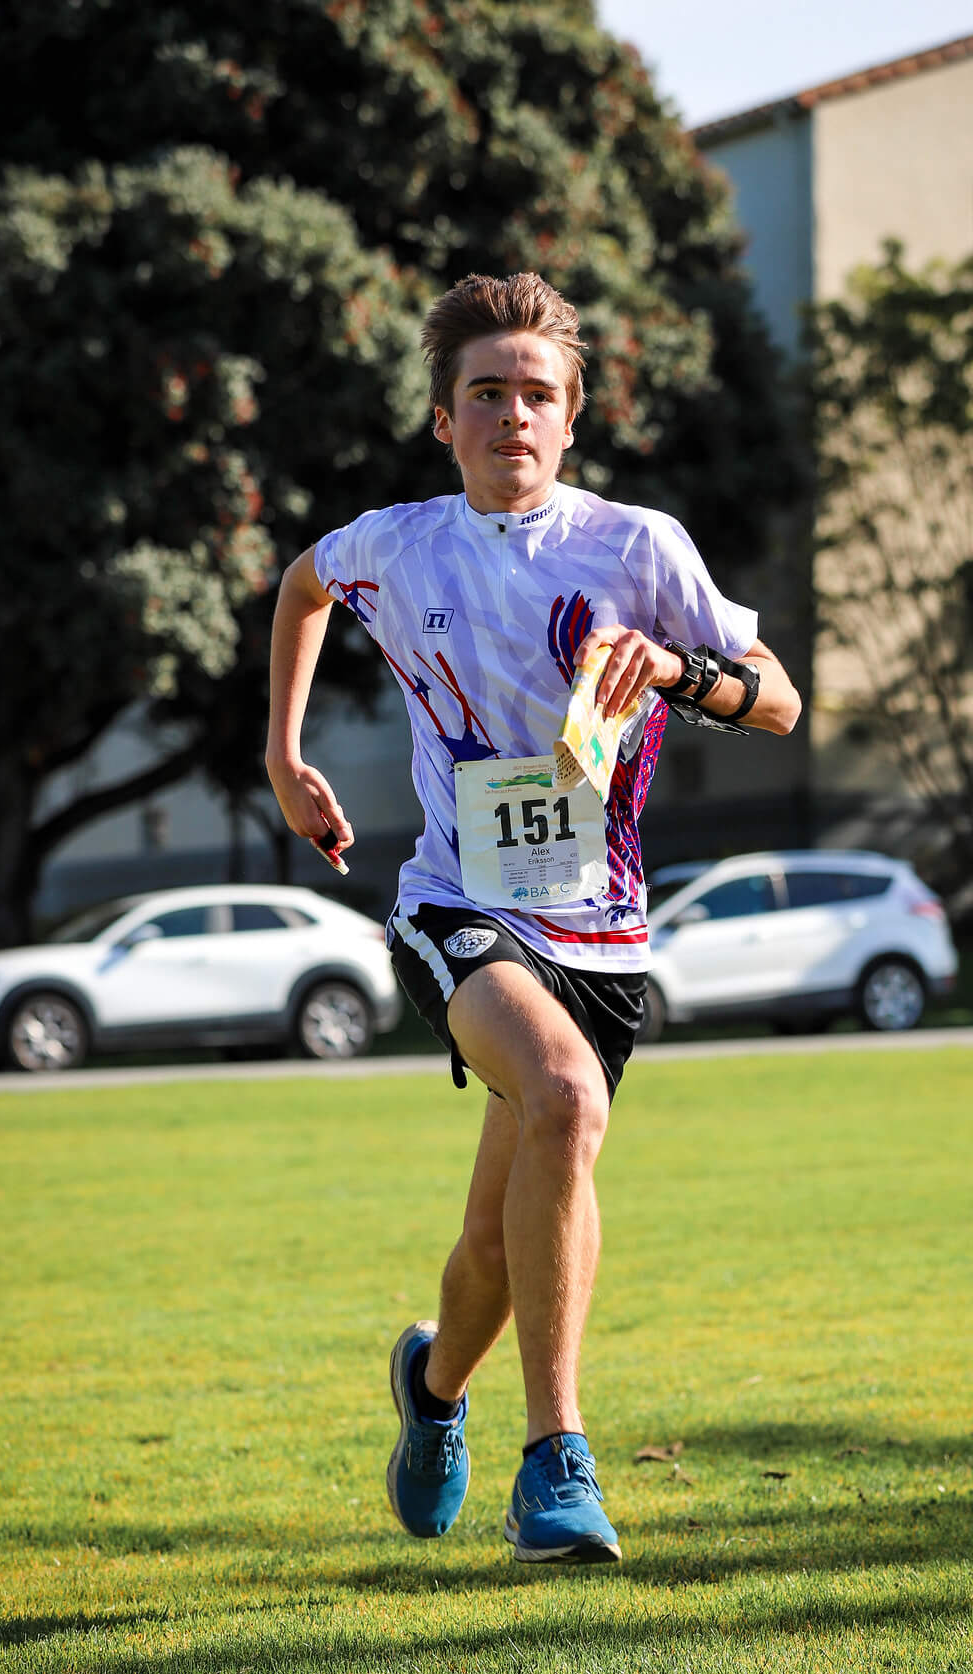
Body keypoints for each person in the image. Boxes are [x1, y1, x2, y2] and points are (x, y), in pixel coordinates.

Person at [266, 272, 800, 1565]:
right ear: (442, 419)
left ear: (572, 418)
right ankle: (554, 1463)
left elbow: (780, 701)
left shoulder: (638, 549)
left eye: (538, 395)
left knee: (490, 1253)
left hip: (601, 937)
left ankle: (429, 1389)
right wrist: (283, 757)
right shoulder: (397, 545)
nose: (514, 414)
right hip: (454, 910)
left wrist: (677, 671)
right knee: (563, 1097)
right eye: (486, 393)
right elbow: (300, 588)